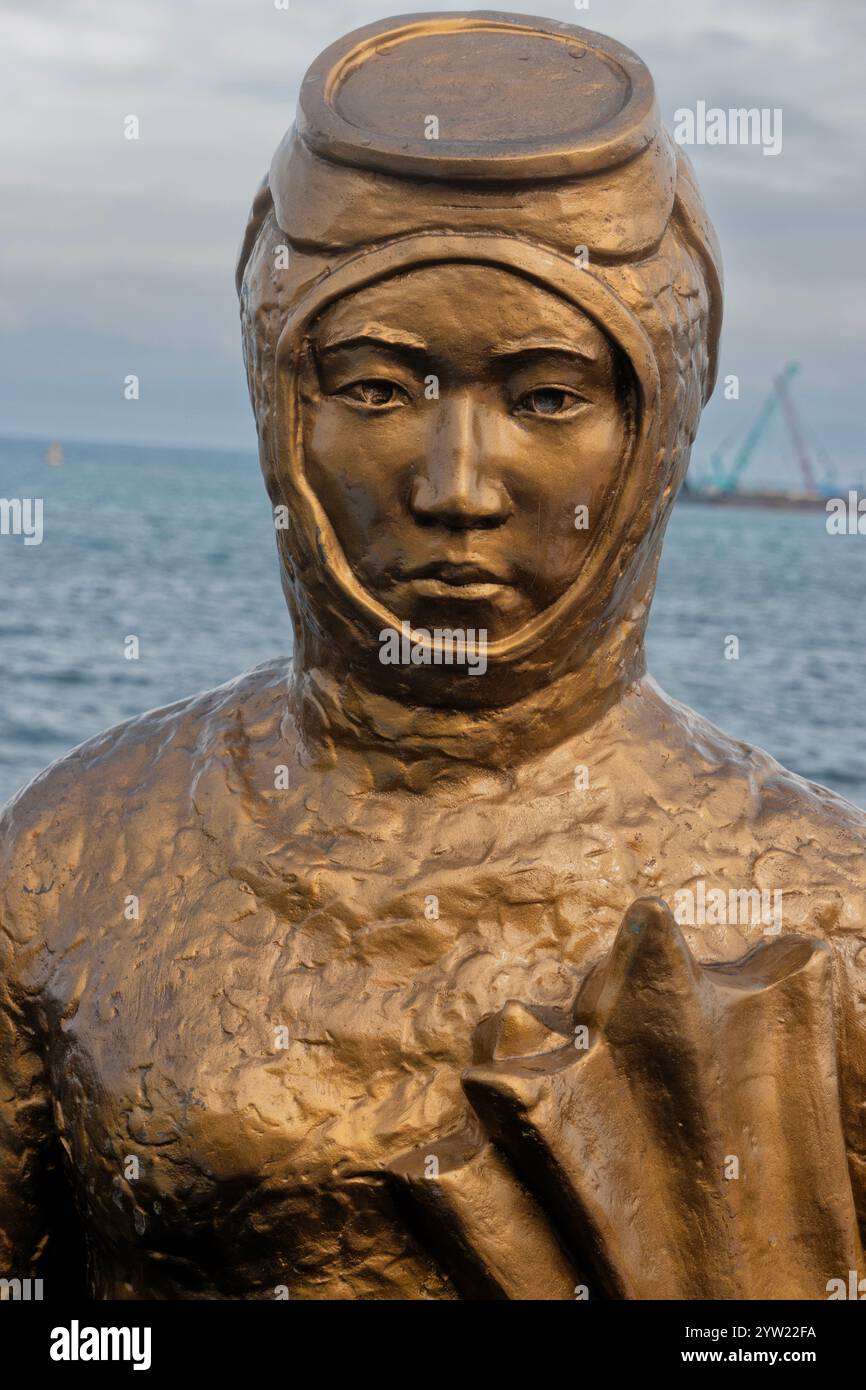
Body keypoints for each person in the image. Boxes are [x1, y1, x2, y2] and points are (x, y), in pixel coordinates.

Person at [1, 12, 863, 1300]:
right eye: (378, 386)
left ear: (662, 419)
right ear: (280, 402)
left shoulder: (823, 922)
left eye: (547, 396)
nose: (459, 486)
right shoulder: (72, 854)